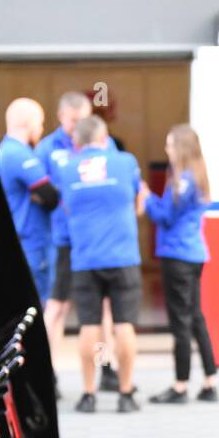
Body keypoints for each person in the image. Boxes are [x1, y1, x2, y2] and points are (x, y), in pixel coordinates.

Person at [56, 114, 143, 413]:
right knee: (123, 325)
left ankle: (89, 394)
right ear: (105, 139)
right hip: (123, 257)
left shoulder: (66, 168)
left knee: (89, 326)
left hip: (85, 258)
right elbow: (139, 201)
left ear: (76, 143)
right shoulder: (126, 162)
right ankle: (126, 393)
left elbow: (66, 206)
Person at [35, 90, 118, 393]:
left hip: (98, 239)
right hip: (66, 240)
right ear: (61, 117)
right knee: (57, 307)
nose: (78, 127)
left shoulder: (103, 143)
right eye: (73, 121)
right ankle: (47, 372)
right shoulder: (46, 149)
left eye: (83, 120)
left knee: (104, 308)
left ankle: (106, 365)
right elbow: (37, 193)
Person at [137, 125, 217, 404]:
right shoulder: (197, 175)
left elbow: (166, 216)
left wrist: (146, 198)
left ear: (181, 147)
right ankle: (210, 381)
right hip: (194, 254)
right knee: (196, 317)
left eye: (170, 145)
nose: (167, 150)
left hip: (177, 255)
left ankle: (180, 385)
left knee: (180, 321)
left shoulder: (182, 180)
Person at [0, 98, 58, 305]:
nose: (41, 129)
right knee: (38, 307)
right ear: (27, 123)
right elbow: (51, 196)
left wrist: (36, 195)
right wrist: (40, 195)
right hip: (32, 242)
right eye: (39, 123)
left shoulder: (4, 150)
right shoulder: (19, 154)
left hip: (23, 240)